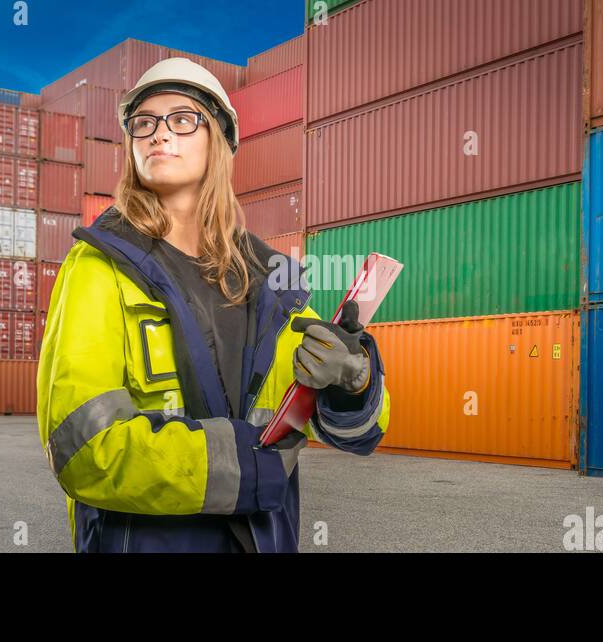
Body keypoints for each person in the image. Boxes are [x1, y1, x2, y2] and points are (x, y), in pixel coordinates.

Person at [36, 57, 392, 553]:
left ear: (219, 142)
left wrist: (353, 380)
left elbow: (358, 433)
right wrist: (245, 465)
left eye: (182, 119)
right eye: (144, 123)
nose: (159, 134)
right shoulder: (97, 266)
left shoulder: (271, 279)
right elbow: (82, 448)